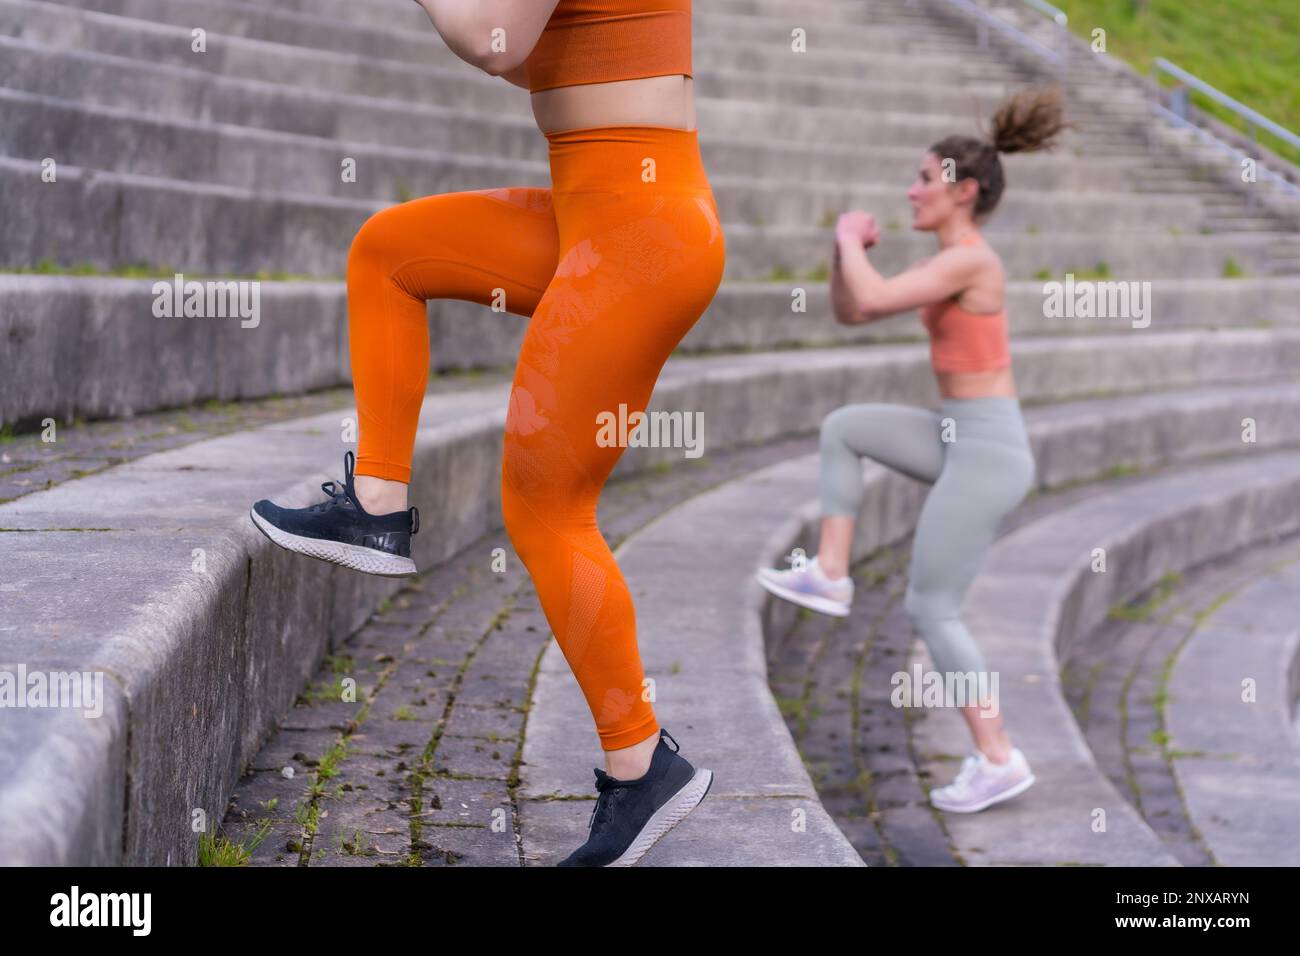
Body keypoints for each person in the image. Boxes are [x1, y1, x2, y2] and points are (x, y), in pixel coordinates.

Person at [249, 0, 723, 866]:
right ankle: (374, 504)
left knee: (546, 507)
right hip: (598, 210)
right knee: (389, 250)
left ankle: (642, 761)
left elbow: (485, 39)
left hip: (640, 232)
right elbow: (517, 53)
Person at [756, 88, 1070, 814]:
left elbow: (872, 302)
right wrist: (846, 257)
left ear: (961, 191)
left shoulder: (971, 260)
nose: (911, 189)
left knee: (933, 606)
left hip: (988, 452)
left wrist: (844, 238)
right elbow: (851, 309)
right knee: (845, 427)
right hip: (961, 433)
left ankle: (998, 756)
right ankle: (830, 573)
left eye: (924, 178)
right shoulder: (950, 258)